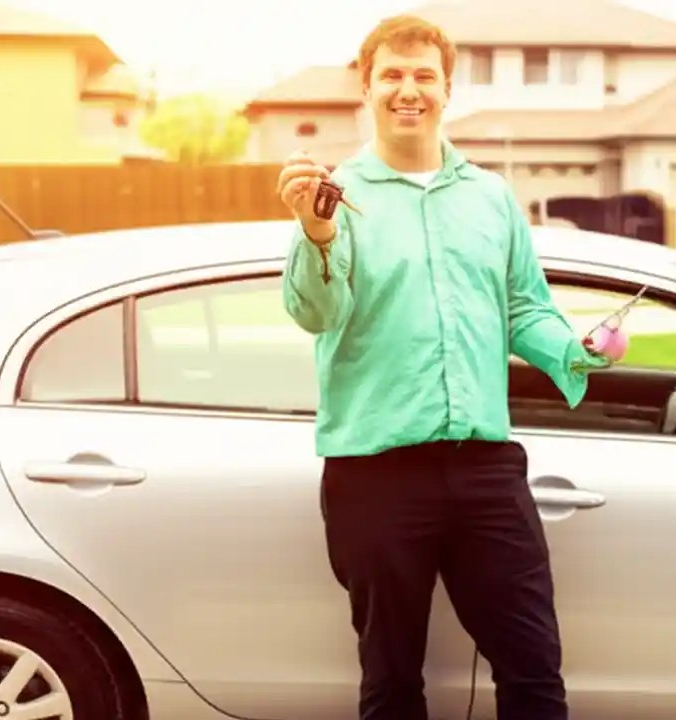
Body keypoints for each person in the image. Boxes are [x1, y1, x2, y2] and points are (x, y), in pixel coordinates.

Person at [275, 12, 608, 720]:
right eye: (392, 75)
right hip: (375, 472)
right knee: (392, 680)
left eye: (424, 75)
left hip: (485, 467)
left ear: (447, 89)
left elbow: (523, 307)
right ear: (365, 87)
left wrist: (575, 348)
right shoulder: (332, 198)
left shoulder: (490, 198)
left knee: (534, 670)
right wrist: (316, 232)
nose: (408, 90)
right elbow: (316, 314)